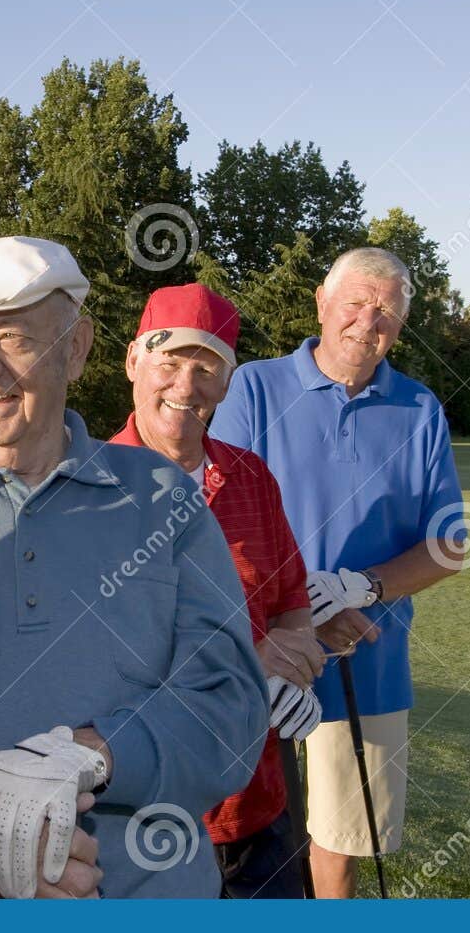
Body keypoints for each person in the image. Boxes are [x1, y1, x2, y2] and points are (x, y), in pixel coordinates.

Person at [0, 237, 268, 898]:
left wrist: (89, 752)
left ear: (78, 345)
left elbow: (231, 711)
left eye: (11, 335)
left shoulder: (162, 497)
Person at [209, 246, 466, 898]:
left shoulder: (420, 408)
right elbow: (219, 513)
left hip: (366, 662)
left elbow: (448, 543)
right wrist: (302, 612)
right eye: (355, 302)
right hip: (258, 653)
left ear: (401, 325)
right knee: (240, 838)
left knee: (340, 845)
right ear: (323, 302)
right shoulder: (255, 387)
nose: (367, 322)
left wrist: (362, 587)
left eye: (386, 311)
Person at [109, 282, 337, 897]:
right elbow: (99, 653)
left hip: (255, 801)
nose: (186, 386)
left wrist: (291, 662)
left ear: (227, 379)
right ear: (134, 363)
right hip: (137, 811)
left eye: (207, 365)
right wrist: (248, 666)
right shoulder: (88, 485)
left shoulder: (251, 476)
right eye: (170, 361)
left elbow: (291, 601)